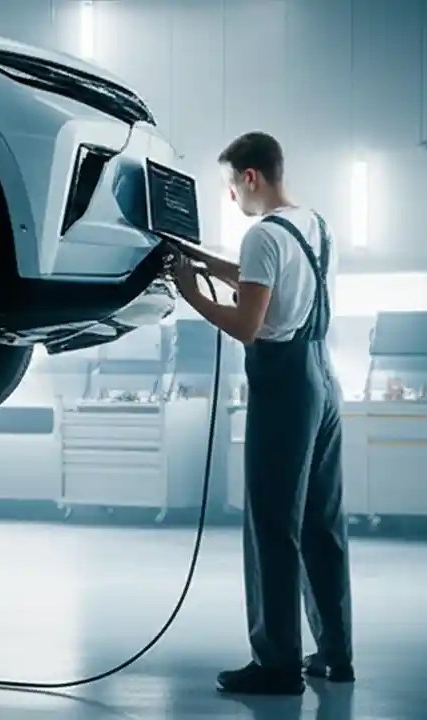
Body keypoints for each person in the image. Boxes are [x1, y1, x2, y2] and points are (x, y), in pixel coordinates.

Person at [170, 132, 354, 696]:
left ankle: (276, 664)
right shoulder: (315, 226)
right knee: (321, 523)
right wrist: (202, 261)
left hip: (284, 385)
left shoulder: (260, 235)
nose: (232, 197)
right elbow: (263, 281)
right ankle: (335, 653)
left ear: (250, 177)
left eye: (232, 185)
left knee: (272, 525)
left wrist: (190, 292)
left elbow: (248, 325)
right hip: (323, 379)